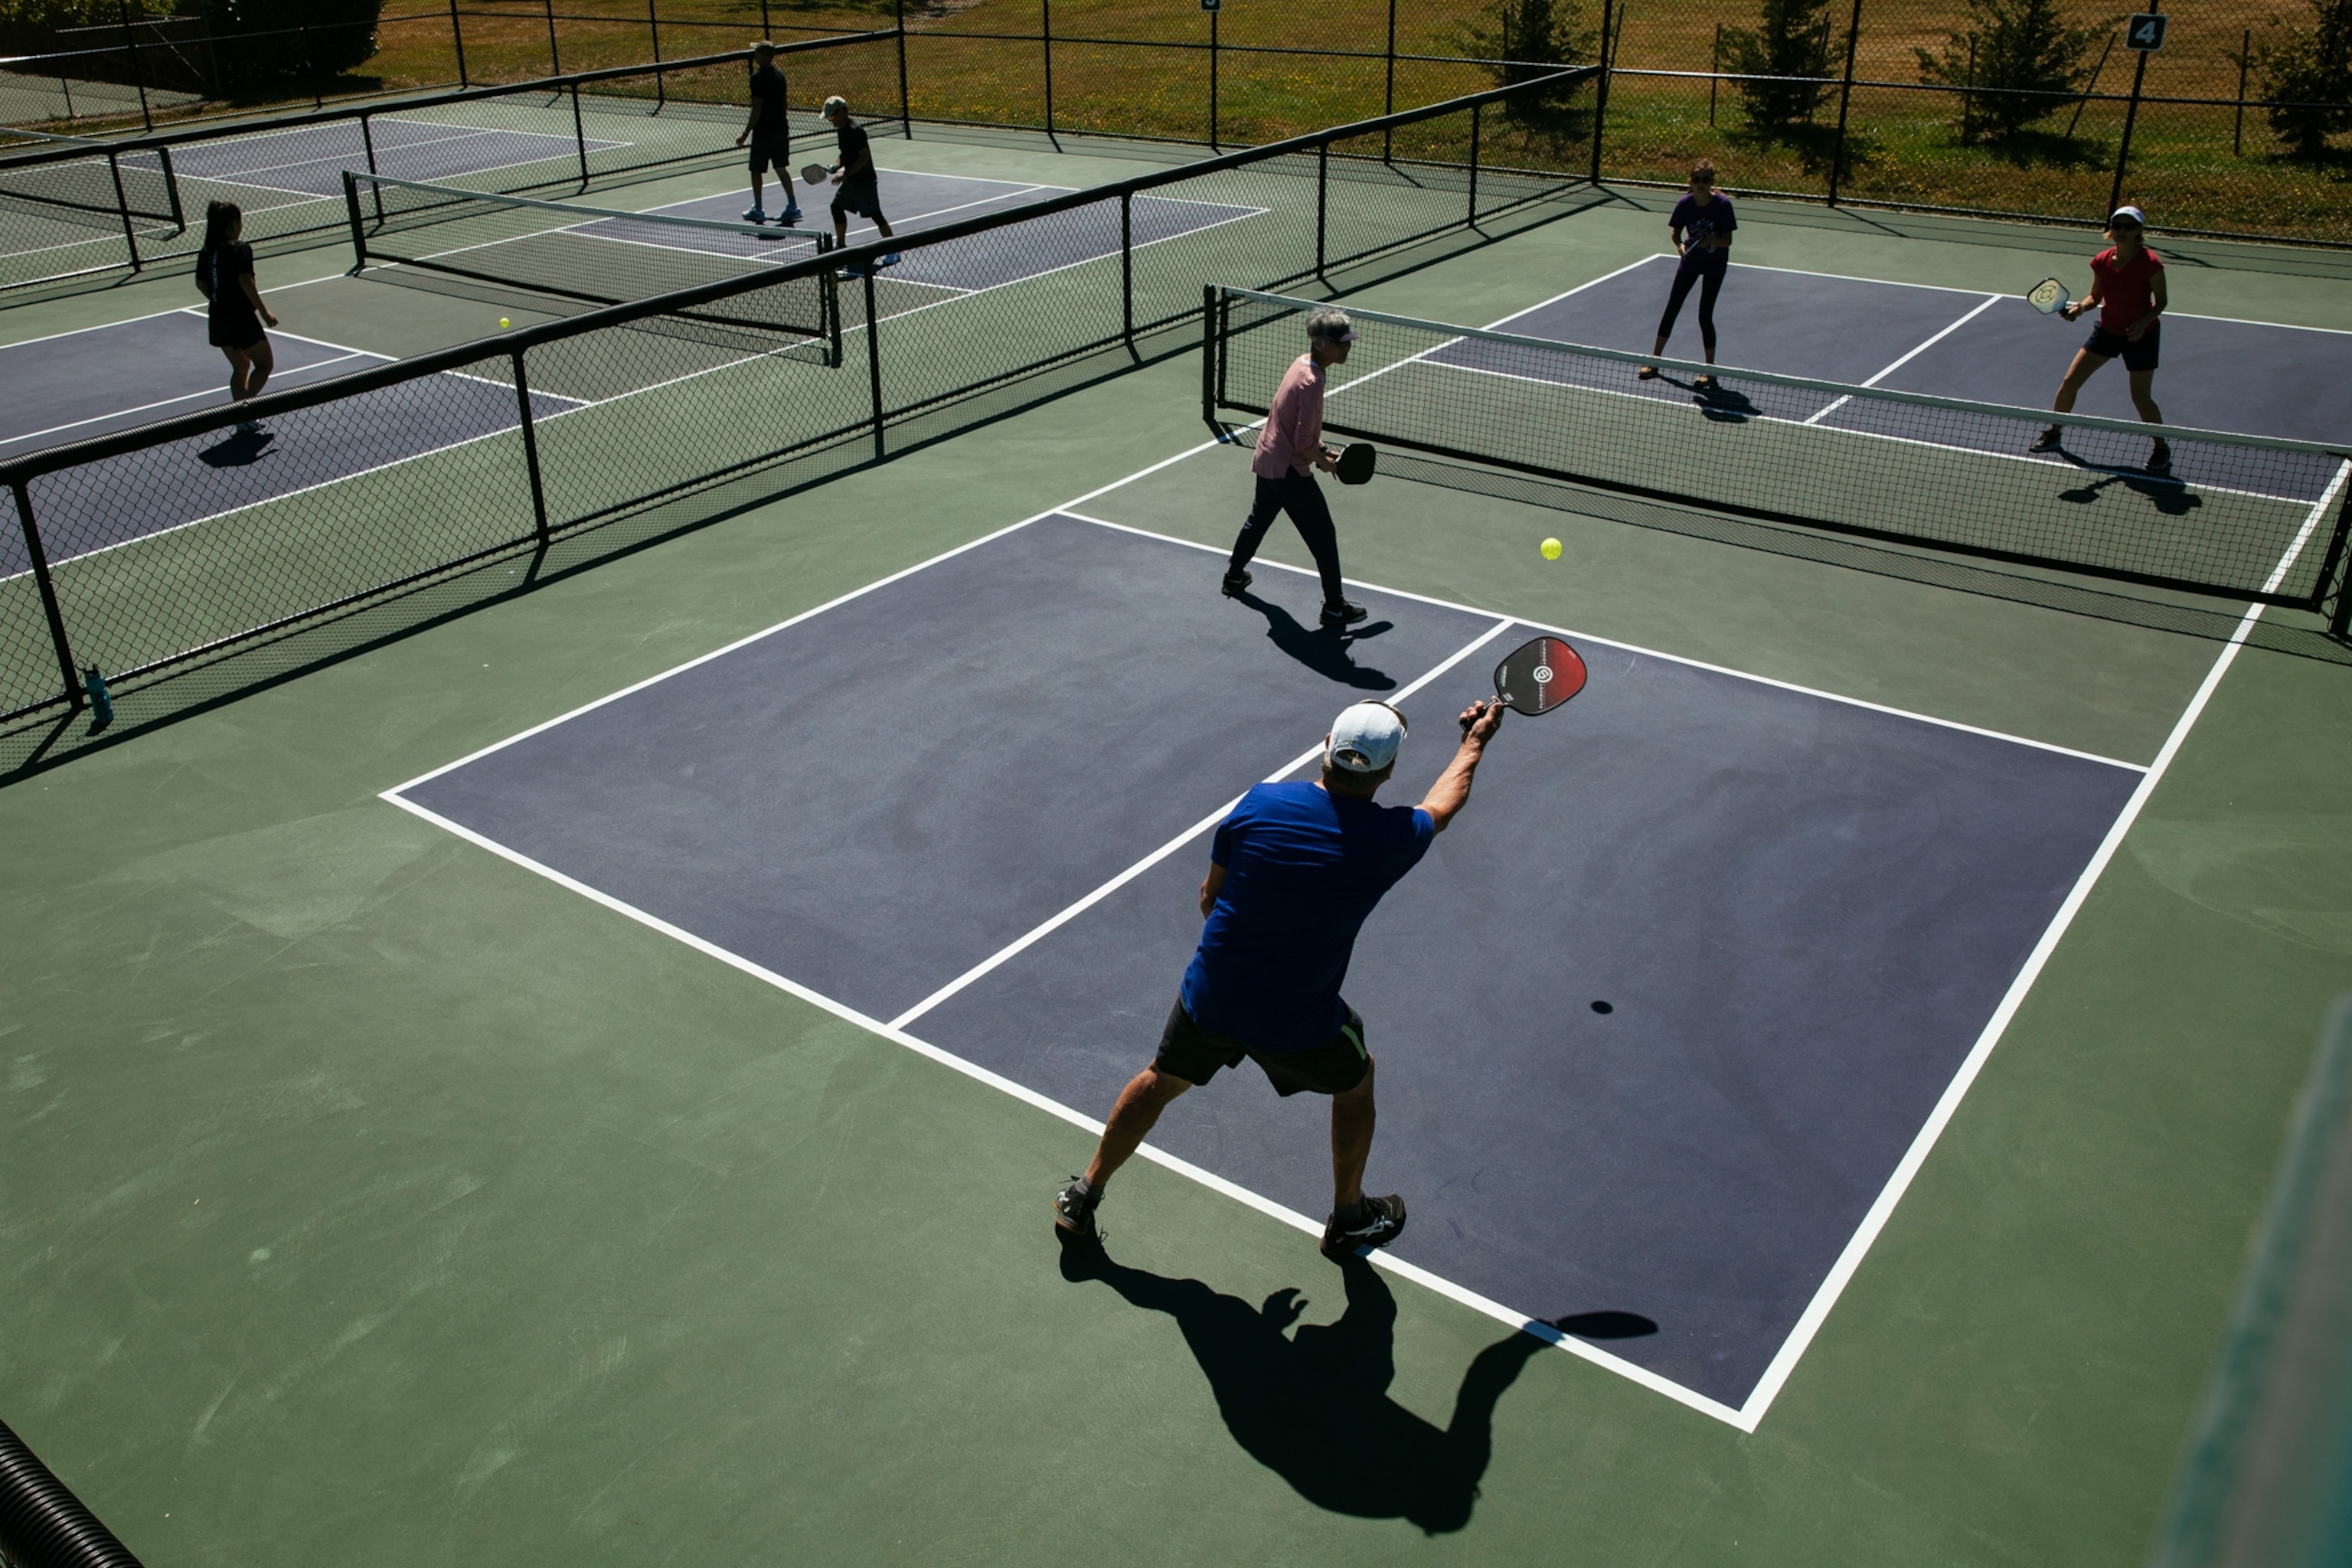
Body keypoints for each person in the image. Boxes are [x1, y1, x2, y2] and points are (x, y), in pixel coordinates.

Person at [1054, 694, 1508, 1260]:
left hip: (1212, 994)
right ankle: (1349, 1218)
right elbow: (1445, 803)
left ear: (1325, 748)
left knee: (1161, 1079)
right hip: (1298, 1020)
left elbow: (1208, 899)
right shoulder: (1391, 839)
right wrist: (1474, 742)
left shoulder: (1260, 803)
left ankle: (1084, 1193)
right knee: (1357, 1076)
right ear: (1389, 771)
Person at [1223, 305, 1367, 628]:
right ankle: (1333, 607)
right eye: (1341, 342)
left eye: (1348, 341)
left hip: (1268, 457)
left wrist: (1324, 450)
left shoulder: (1302, 364)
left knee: (1258, 519)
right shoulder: (1313, 381)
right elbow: (1302, 444)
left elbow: (1295, 428)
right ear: (1320, 342)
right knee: (1324, 537)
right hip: (1289, 470)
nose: (1347, 347)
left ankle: (1233, 577)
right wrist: (1327, 465)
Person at [2031, 205, 2171, 473]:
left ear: (2139, 231)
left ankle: (2161, 448)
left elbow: (2161, 301)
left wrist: (2143, 324)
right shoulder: (2101, 261)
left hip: (2140, 336)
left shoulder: (2150, 263)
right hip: (2108, 332)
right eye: (2117, 225)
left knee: (2141, 398)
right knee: (2070, 382)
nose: (2121, 231)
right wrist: (2079, 308)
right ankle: (2054, 433)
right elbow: (2096, 297)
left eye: (2129, 227)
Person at [1638, 160, 1736, 391]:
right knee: (1672, 308)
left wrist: (1709, 240)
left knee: (1704, 315)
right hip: (1690, 262)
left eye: (1706, 180)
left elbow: (1727, 240)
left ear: (1712, 182)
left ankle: (1709, 369)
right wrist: (1680, 246)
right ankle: (1655, 361)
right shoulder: (1685, 204)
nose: (1701, 184)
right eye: (1697, 180)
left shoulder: (1723, 205)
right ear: (1690, 182)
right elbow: (1675, 232)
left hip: (1714, 264)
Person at [194, 200, 277, 434]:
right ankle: (243, 411)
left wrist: (219, 298)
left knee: (241, 367)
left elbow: (201, 283)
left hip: (218, 318)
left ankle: (243, 419)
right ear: (232, 224)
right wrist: (263, 311)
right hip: (241, 319)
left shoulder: (207, 252)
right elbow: (245, 280)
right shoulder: (241, 249)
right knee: (264, 365)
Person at [821, 95, 897, 274]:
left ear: (841, 113)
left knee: (876, 215)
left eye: (832, 117)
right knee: (836, 207)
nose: (830, 121)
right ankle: (841, 246)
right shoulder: (841, 129)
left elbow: (864, 157)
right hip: (852, 180)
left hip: (864, 181)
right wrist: (837, 165)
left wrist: (845, 174)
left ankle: (893, 250)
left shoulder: (855, 131)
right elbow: (844, 153)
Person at [733, 41, 802, 227]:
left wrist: (746, 133)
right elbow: (785, 105)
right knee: (780, 167)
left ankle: (759, 209)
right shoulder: (780, 75)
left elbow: (757, 108)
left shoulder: (756, 78)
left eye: (757, 51)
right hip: (781, 129)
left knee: (756, 170)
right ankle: (793, 205)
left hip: (764, 133)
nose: (754, 54)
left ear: (764, 55)